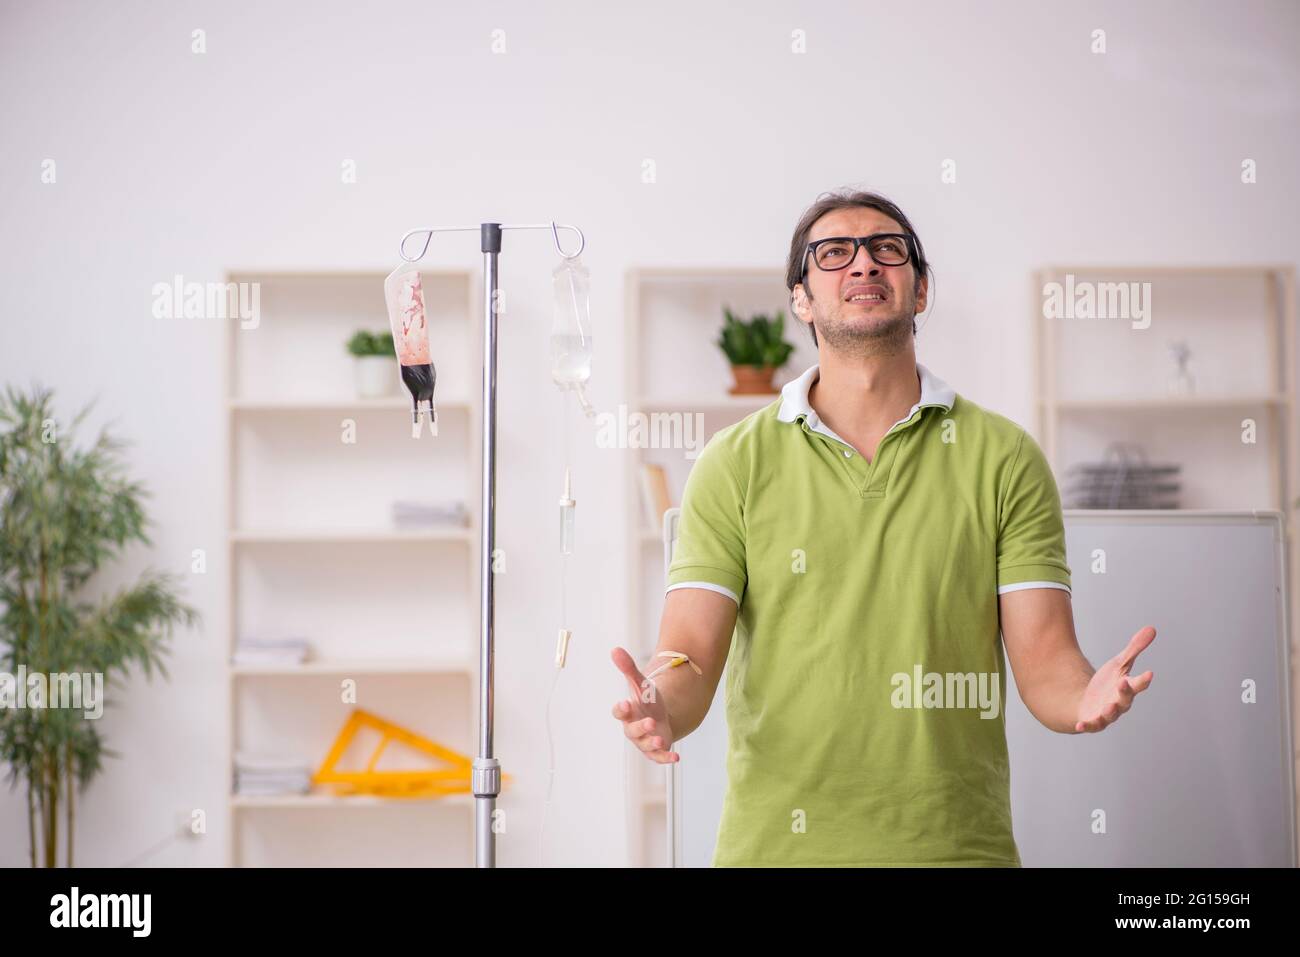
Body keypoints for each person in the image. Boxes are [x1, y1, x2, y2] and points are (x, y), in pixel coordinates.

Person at [610, 188, 1156, 867]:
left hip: (957, 852)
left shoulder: (1004, 457)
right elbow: (688, 649)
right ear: (801, 299)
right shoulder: (734, 462)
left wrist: (1085, 695)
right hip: (775, 850)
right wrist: (661, 700)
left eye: (886, 249)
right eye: (834, 253)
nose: (863, 264)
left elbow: (1046, 660)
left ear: (920, 290)